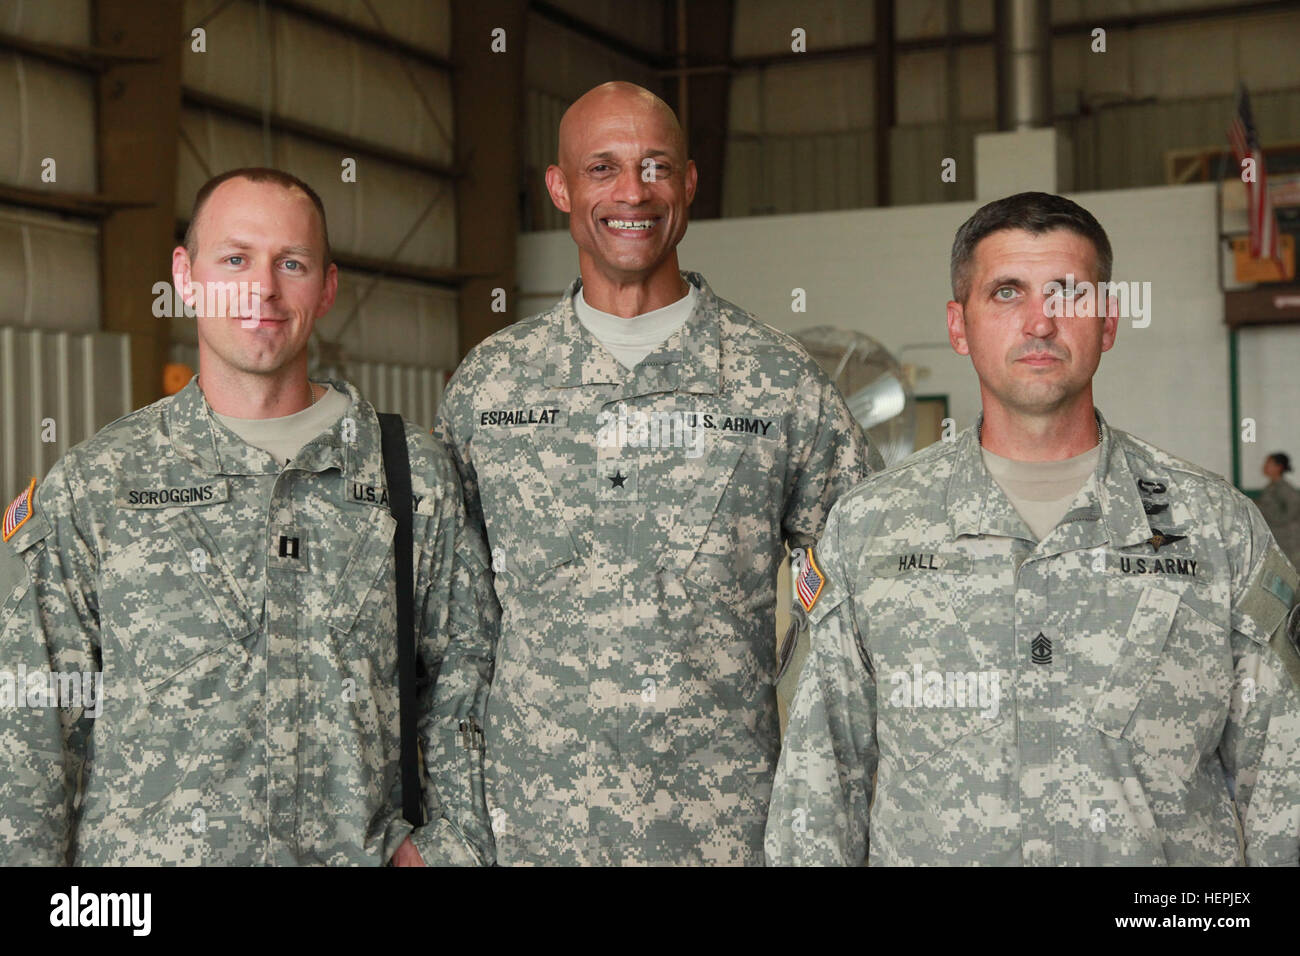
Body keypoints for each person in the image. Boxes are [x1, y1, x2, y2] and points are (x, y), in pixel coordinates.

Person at [766, 191, 1300, 866]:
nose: (1041, 322)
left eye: (1069, 294)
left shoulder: (1218, 530)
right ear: (958, 326)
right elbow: (819, 787)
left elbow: (1285, 782)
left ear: (1107, 322)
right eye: (1008, 293)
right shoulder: (869, 532)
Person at [0, 167, 498, 866]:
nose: (261, 289)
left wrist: (449, 850)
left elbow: (467, 682)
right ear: (187, 273)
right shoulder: (98, 486)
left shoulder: (409, 478)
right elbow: (30, 723)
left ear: (325, 286)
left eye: (290, 263)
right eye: (235, 259)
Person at [435, 82, 876, 865]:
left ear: (690, 184)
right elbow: (457, 637)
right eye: (602, 168)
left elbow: (861, 603)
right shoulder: (491, 387)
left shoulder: (777, 382)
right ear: (561, 187)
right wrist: (455, 828)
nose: (631, 193)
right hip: (532, 833)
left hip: (723, 831)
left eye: (655, 167)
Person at [1259, 452, 1300, 569]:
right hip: (1278, 538)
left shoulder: (1283, 487)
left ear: (1279, 467)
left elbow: (1294, 506)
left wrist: (1277, 520)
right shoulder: (1271, 487)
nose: (1265, 466)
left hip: (1288, 541)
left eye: (1269, 463)